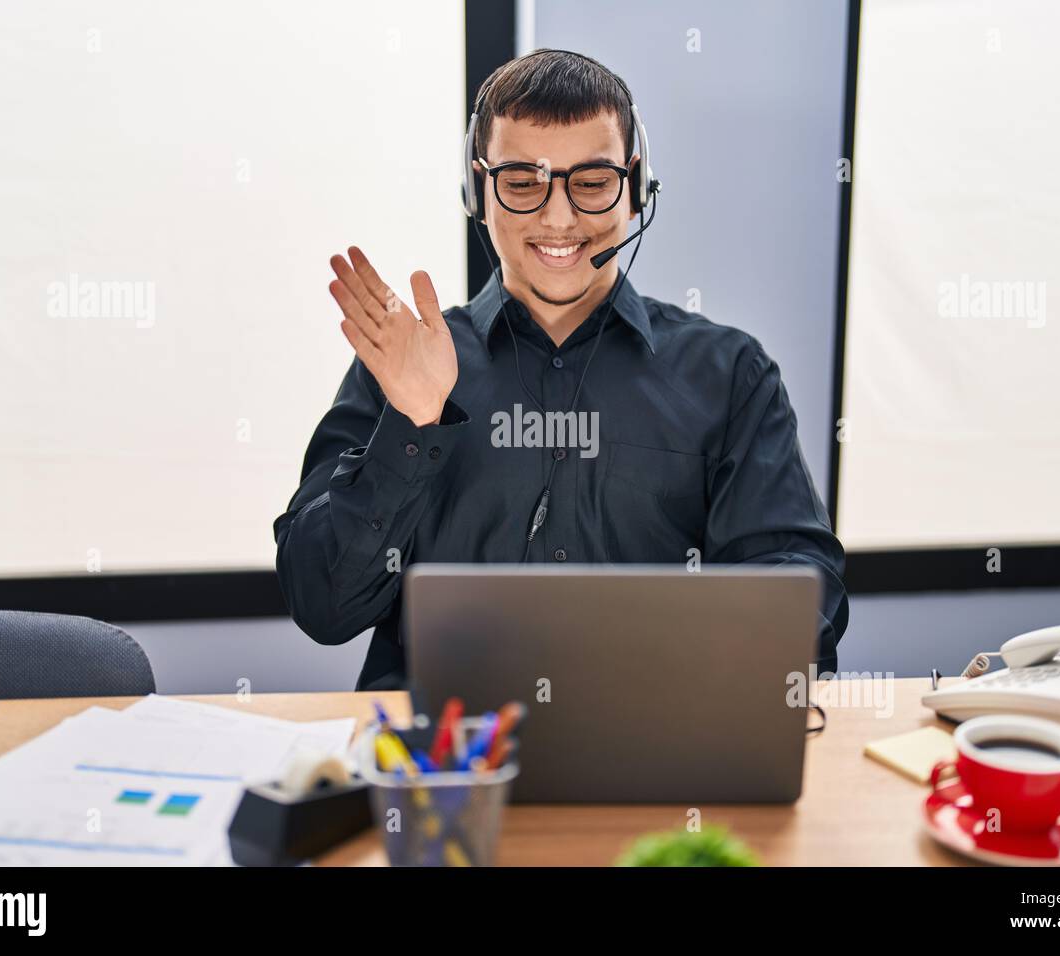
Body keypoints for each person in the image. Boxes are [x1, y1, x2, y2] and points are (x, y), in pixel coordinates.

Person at [274, 49, 848, 691]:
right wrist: (413, 423)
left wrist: (683, 664)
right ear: (477, 190)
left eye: (592, 182)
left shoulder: (731, 374)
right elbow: (323, 607)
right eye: (522, 183)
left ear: (636, 185)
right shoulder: (400, 366)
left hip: (657, 762)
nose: (558, 218)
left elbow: (803, 590)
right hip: (450, 771)